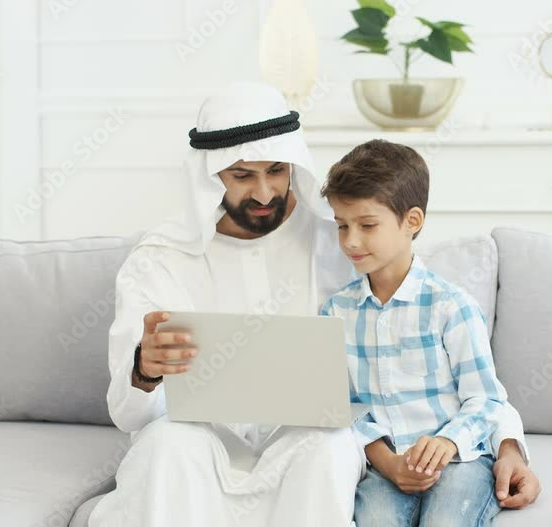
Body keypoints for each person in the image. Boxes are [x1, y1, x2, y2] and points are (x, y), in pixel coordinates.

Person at [88, 82, 362, 527]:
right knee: (168, 447)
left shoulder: (339, 242)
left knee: (329, 445)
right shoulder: (162, 259)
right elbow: (127, 414)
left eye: (276, 170)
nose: (265, 193)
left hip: (301, 443)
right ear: (211, 174)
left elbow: (415, 326)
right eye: (242, 176)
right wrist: (144, 369)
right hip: (197, 444)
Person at [318, 139, 541, 526]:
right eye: (342, 225)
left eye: (367, 225)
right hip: (387, 469)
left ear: (412, 221)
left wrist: (446, 441)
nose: (350, 240)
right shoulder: (336, 312)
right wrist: (387, 463)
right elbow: (344, 406)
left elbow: (487, 400)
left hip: (460, 461)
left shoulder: (451, 307)